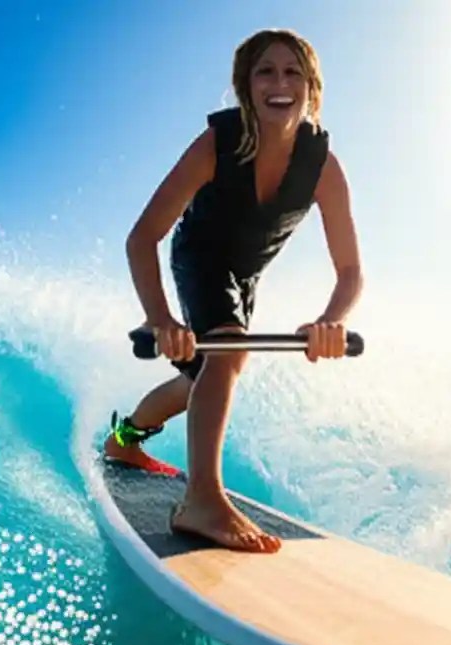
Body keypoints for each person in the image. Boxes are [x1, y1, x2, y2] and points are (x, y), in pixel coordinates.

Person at [103, 28, 364, 554]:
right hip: (199, 255)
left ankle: (125, 439)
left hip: (245, 277)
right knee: (229, 351)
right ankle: (202, 498)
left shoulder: (323, 168)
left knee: (205, 373)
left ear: (312, 87)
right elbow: (141, 239)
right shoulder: (216, 145)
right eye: (264, 71)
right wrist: (161, 320)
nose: (279, 83)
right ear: (246, 86)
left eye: (293, 72)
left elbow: (351, 271)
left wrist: (331, 319)